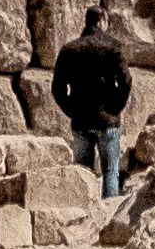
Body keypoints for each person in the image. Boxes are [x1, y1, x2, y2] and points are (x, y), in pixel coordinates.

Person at [48, 22, 132, 202]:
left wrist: (71, 111)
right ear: (102, 22)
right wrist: (116, 108)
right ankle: (109, 218)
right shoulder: (113, 47)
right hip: (108, 120)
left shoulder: (69, 50)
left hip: (81, 121)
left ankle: (81, 216)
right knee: (110, 172)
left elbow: (57, 88)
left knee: (81, 172)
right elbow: (126, 81)